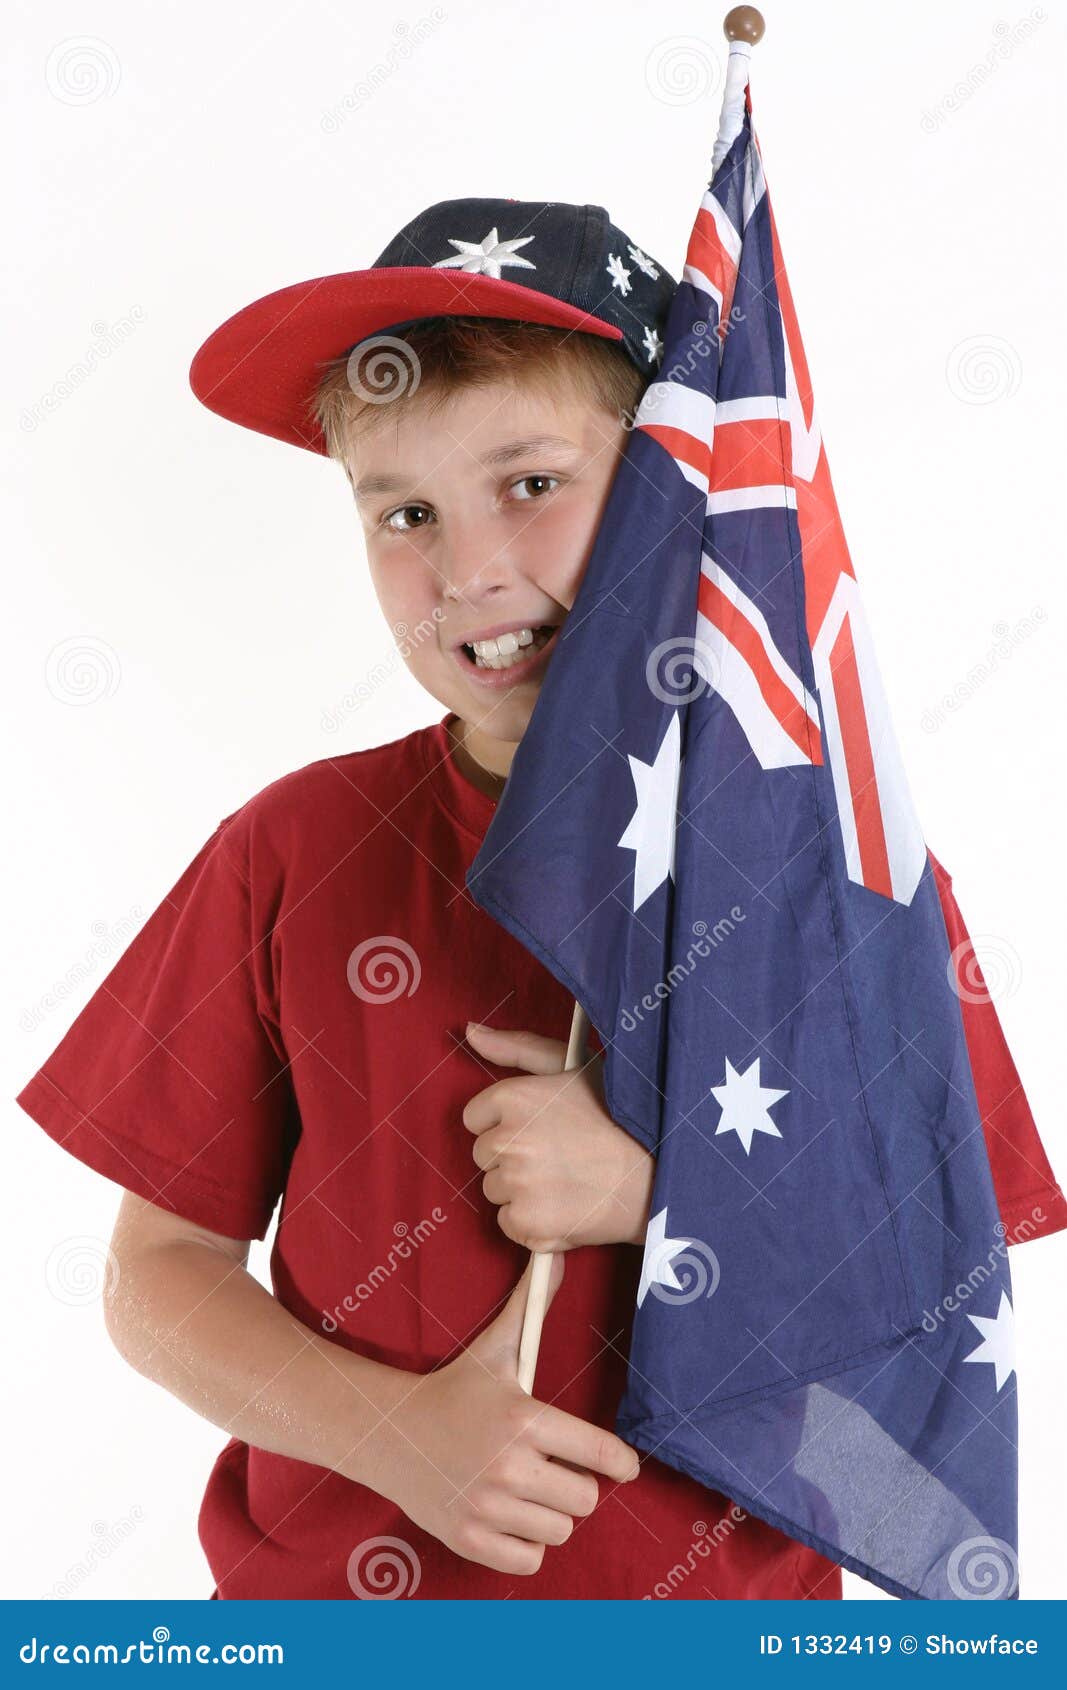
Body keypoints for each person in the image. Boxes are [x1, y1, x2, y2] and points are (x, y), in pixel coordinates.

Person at [16, 198, 1066, 1600]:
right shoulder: (291, 846)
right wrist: (401, 1437)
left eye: (530, 483)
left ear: (664, 492)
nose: (469, 572)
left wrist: (670, 1191)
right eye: (404, 512)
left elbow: (943, 1266)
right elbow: (156, 1274)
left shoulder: (836, 859)